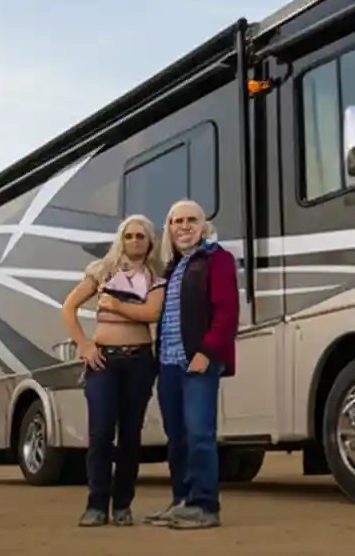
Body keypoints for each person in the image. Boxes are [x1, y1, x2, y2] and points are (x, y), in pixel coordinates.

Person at [60, 214, 167, 527]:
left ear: (150, 242)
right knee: (101, 432)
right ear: (121, 239)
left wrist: (115, 305)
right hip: (103, 361)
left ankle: (122, 505)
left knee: (131, 436)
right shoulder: (102, 272)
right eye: (130, 236)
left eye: (141, 236)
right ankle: (95, 505)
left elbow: (152, 312)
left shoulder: (156, 275)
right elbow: (68, 307)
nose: (135, 241)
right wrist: (84, 345)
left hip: (140, 362)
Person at [142, 199, 239, 530]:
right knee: (177, 437)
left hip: (197, 361)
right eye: (176, 221)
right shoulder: (172, 267)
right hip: (168, 364)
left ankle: (205, 505)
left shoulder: (217, 259)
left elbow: (227, 312)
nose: (183, 226)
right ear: (168, 228)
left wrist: (207, 352)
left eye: (191, 220)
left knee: (200, 434)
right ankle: (182, 501)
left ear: (203, 225)